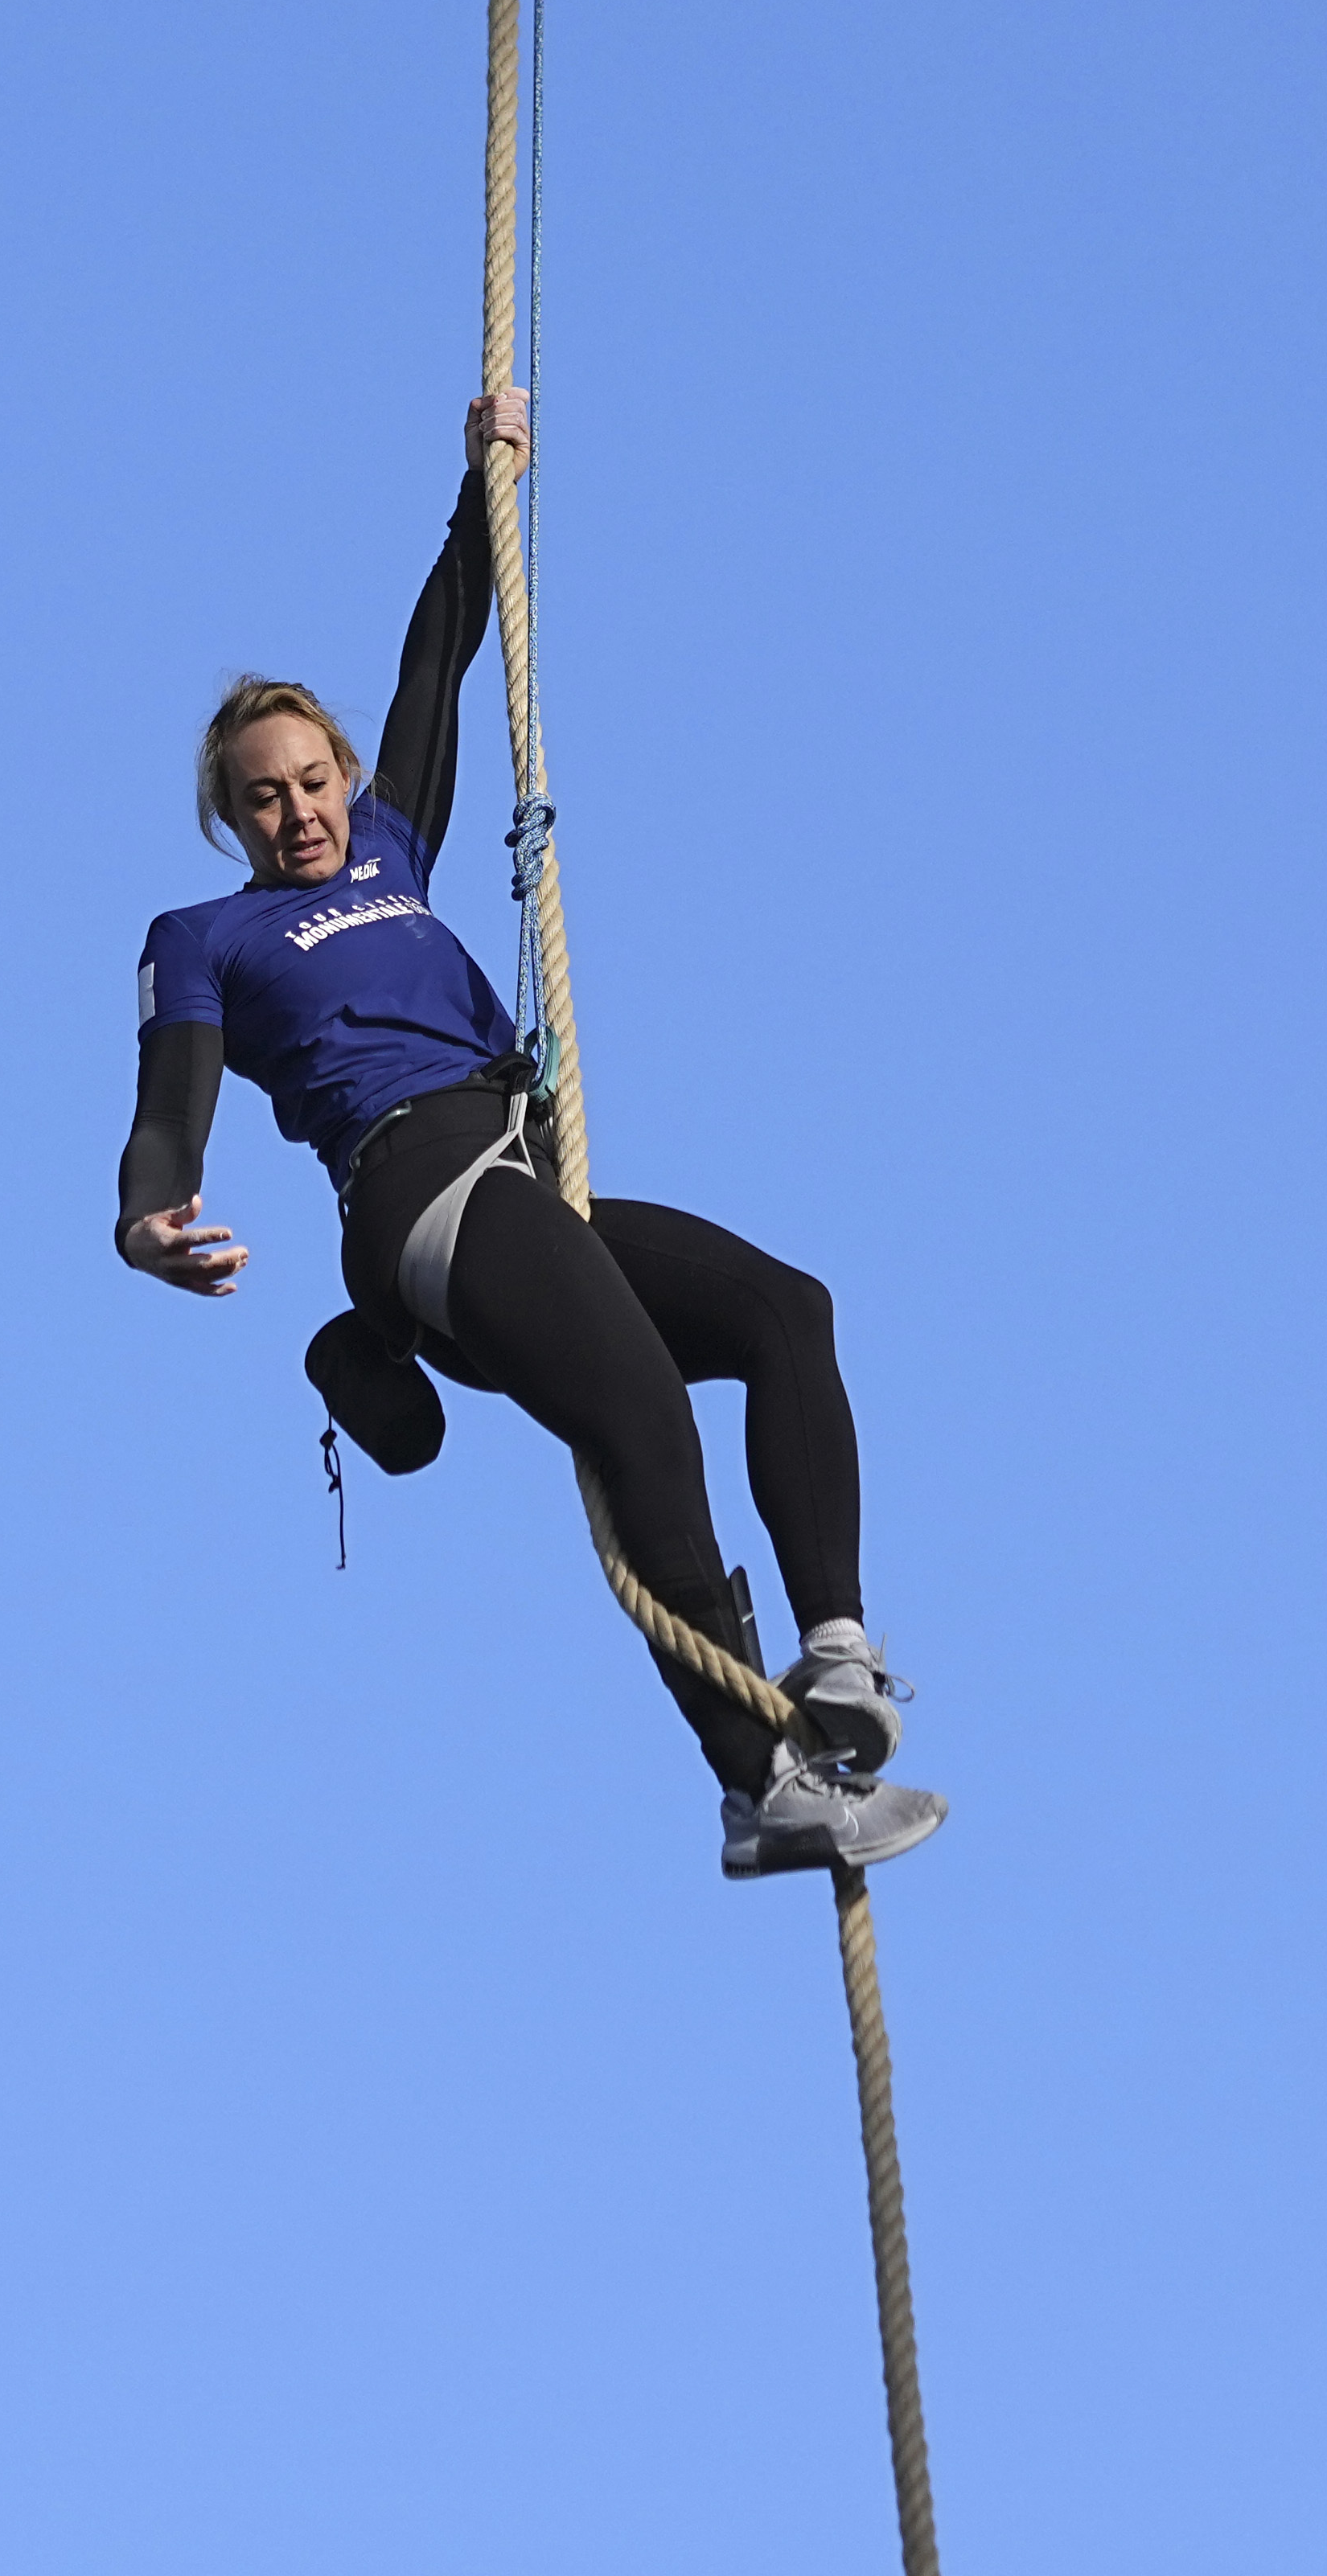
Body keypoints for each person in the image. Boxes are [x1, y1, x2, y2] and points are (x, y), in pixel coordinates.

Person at [118, 398, 947, 1882]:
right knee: (639, 1413)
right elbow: (169, 1101)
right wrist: (151, 1213)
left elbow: (442, 654)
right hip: (419, 1193)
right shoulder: (207, 937)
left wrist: (478, 480)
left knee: (783, 1311)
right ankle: (757, 1782)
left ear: (346, 776)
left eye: (314, 781)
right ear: (227, 821)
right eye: (264, 799)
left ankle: (834, 1652)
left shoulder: (391, 845)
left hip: (518, 1172)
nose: (300, 813)